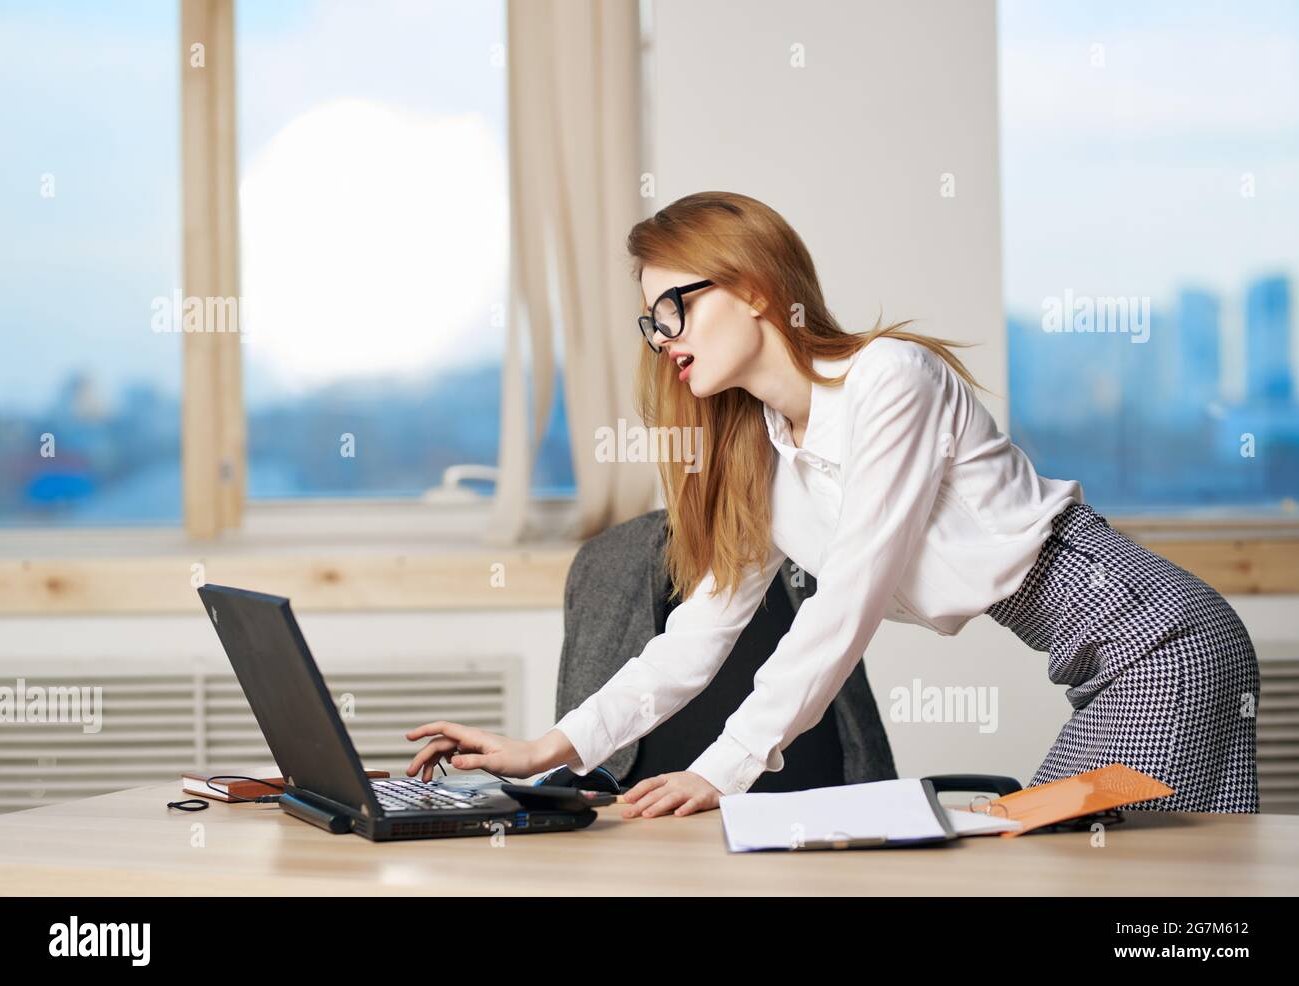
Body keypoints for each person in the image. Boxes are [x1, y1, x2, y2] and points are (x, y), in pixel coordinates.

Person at [406, 191, 1259, 818]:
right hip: (1096, 662)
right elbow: (691, 642)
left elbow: (848, 595)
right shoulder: (766, 463)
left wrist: (727, 767)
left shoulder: (889, 378)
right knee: (1149, 874)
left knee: (1092, 865)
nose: (663, 337)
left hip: (1161, 643)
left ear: (755, 287)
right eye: (649, 322)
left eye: (676, 305)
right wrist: (544, 749)